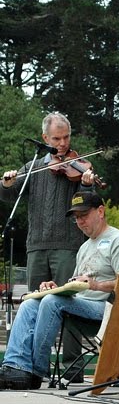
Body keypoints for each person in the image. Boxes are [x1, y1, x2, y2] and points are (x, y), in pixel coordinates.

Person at [0, 192, 119, 389]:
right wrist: (57, 288)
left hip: (109, 308)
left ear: (100, 211)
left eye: (84, 215)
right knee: (30, 302)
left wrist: (96, 285)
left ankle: (36, 372)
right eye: (76, 218)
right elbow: (76, 286)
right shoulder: (84, 247)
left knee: (51, 302)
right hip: (81, 306)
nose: (80, 222)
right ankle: (16, 366)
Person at [1, 112, 99, 382]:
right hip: (36, 246)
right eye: (56, 138)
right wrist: (7, 181)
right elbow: (10, 194)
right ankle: (29, 367)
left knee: (67, 302)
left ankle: (73, 368)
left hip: (67, 245)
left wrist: (85, 182)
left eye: (66, 137)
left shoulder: (78, 167)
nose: (62, 143)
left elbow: (90, 200)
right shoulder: (34, 165)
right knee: (34, 302)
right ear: (45, 138)